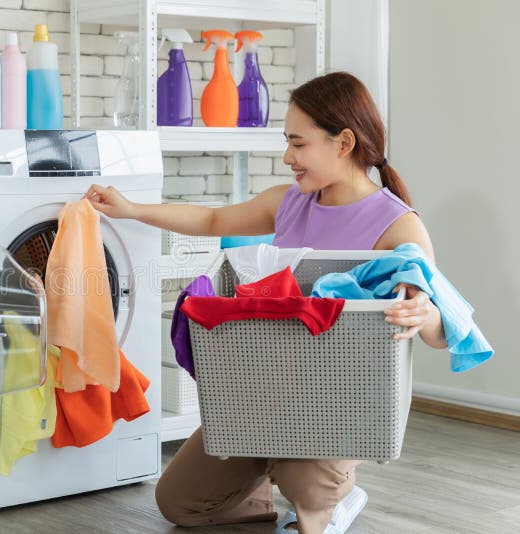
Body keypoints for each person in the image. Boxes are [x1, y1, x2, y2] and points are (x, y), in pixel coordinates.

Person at [83, 72, 447, 534]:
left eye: (298, 144)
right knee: (180, 504)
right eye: (286, 142)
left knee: (304, 481)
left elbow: (438, 328)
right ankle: (268, 481)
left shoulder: (398, 227)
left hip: (339, 404)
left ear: (344, 143)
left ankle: (331, 502)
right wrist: (133, 209)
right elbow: (213, 218)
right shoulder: (289, 202)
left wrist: (425, 313)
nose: (287, 157)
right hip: (267, 390)